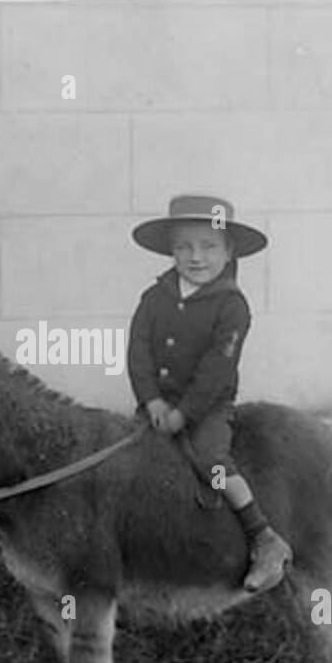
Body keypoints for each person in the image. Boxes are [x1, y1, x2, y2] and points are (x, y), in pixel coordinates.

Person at [127, 194, 293, 594]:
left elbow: (217, 368)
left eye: (208, 246)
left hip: (206, 408)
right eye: (184, 246)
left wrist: (184, 414)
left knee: (211, 461)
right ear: (171, 250)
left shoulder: (232, 306)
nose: (195, 257)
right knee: (131, 463)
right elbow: (138, 351)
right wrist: (151, 400)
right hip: (156, 405)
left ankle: (263, 537)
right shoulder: (154, 298)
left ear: (229, 250)